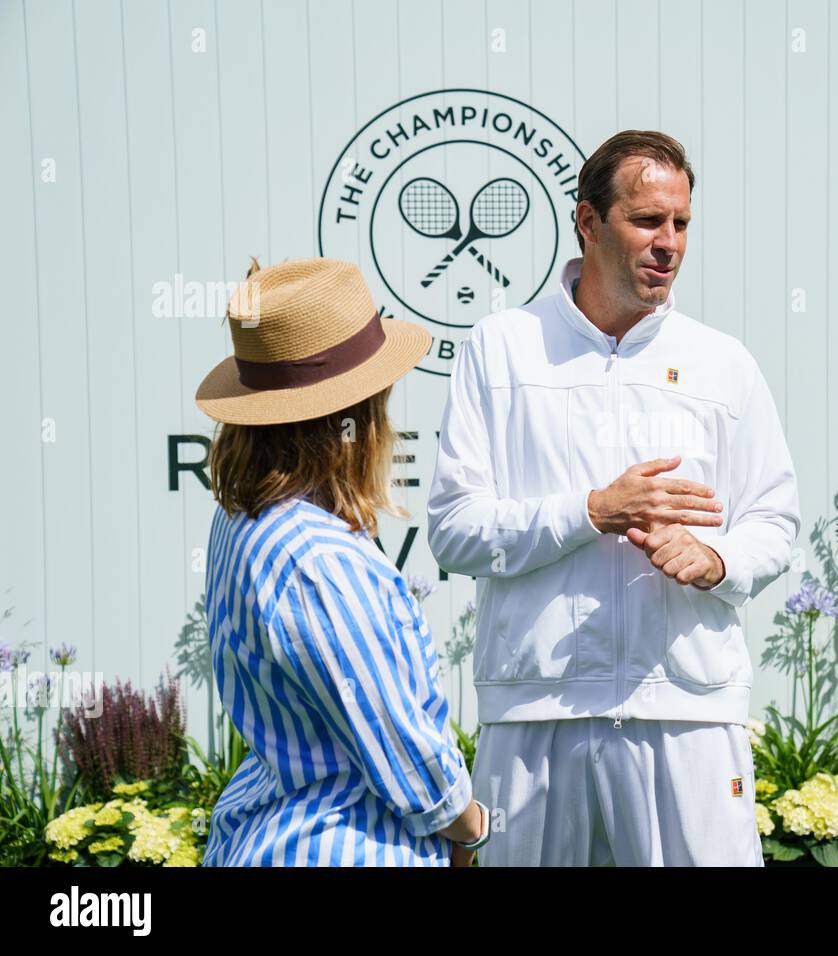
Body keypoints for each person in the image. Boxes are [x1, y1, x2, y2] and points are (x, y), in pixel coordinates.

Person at [426, 130, 800, 866]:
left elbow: (775, 519)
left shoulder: (723, 363)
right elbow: (454, 529)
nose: (669, 243)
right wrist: (592, 511)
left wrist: (716, 559)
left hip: (687, 712)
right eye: (646, 221)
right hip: (537, 715)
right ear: (588, 223)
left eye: (681, 223)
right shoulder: (499, 347)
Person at [194, 256, 486, 866]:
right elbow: (400, 747)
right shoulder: (316, 559)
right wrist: (471, 825)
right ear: (353, 417)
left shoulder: (240, 518)